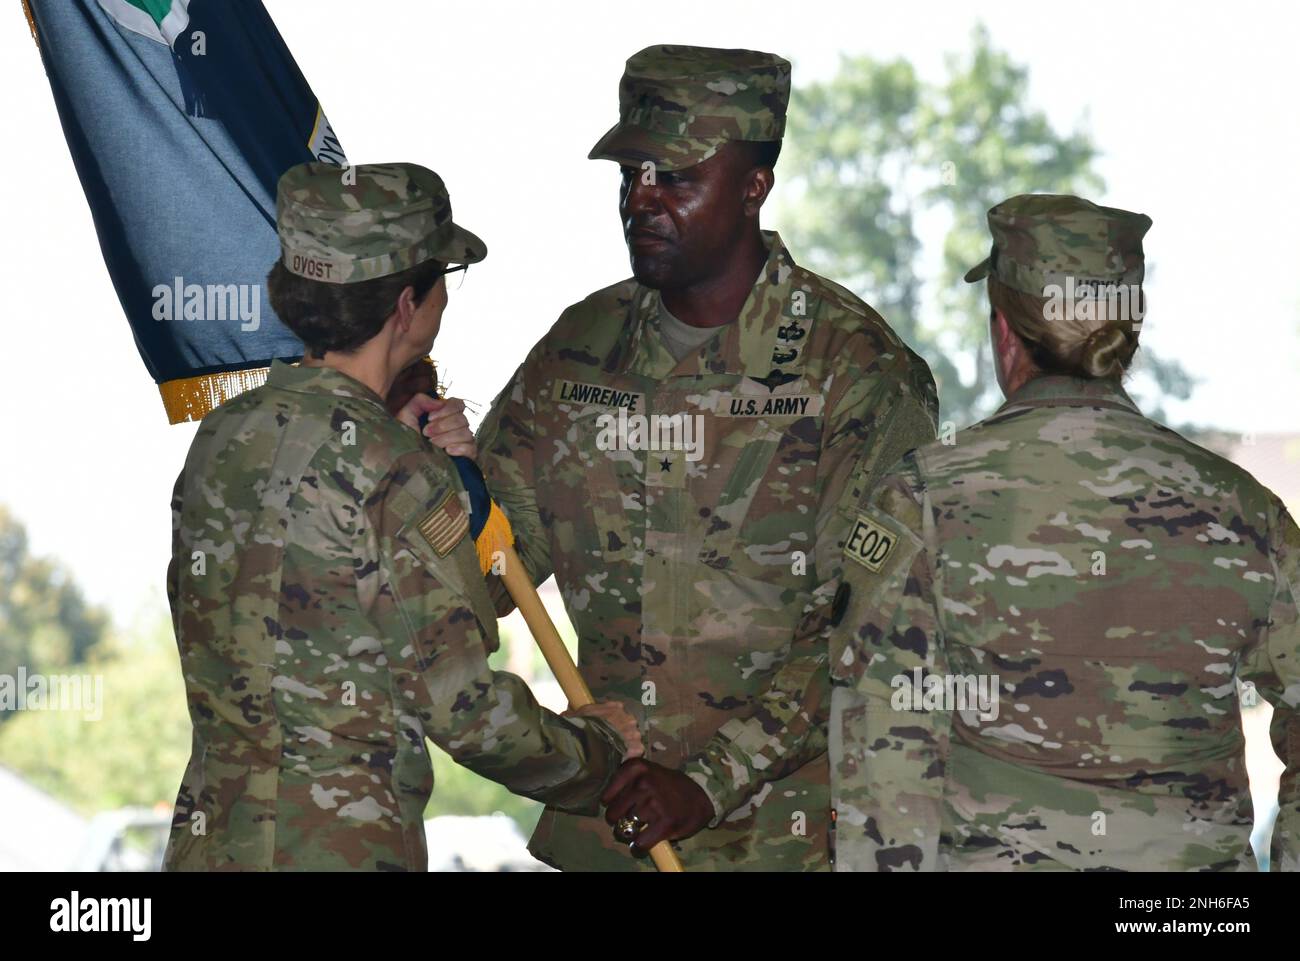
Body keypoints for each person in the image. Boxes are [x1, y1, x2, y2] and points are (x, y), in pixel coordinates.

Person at [476, 45, 937, 870]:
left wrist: (707, 782)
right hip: (609, 837)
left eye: (675, 178)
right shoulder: (578, 353)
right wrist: (421, 475)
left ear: (754, 185)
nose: (640, 200)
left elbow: (869, 627)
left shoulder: (855, 371)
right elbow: (492, 565)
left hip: (788, 843)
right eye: (631, 175)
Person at [164, 161, 640, 871]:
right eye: (443, 278)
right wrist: (597, 752)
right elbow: (466, 710)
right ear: (406, 306)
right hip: (339, 848)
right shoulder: (398, 473)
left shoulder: (224, 435)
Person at [829, 193, 1299, 871]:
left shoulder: (924, 497)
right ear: (1127, 332)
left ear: (1003, 328)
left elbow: (885, 757)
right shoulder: (1244, 510)